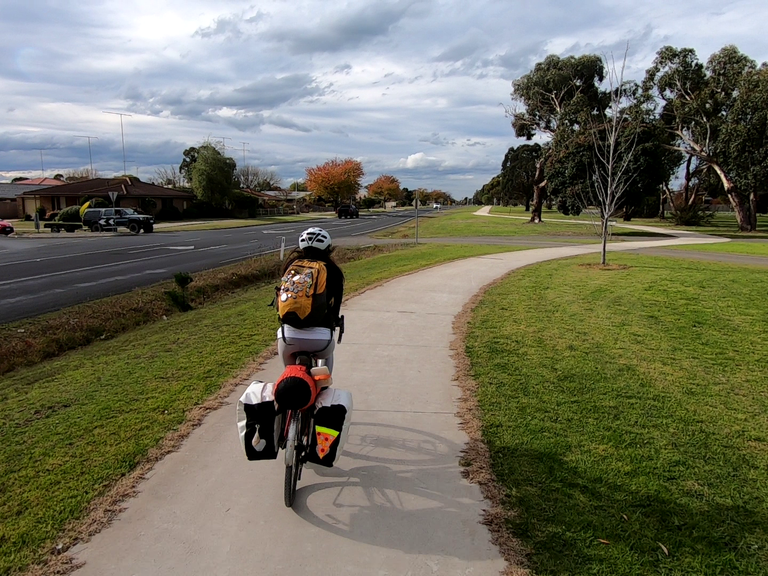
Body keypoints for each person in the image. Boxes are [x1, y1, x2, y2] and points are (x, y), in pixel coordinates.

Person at [276, 227, 344, 373]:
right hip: (321, 340)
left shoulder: (291, 266)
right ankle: (324, 387)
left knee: (289, 376)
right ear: (328, 249)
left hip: (288, 337)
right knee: (326, 360)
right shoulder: (332, 270)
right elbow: (335, 307)